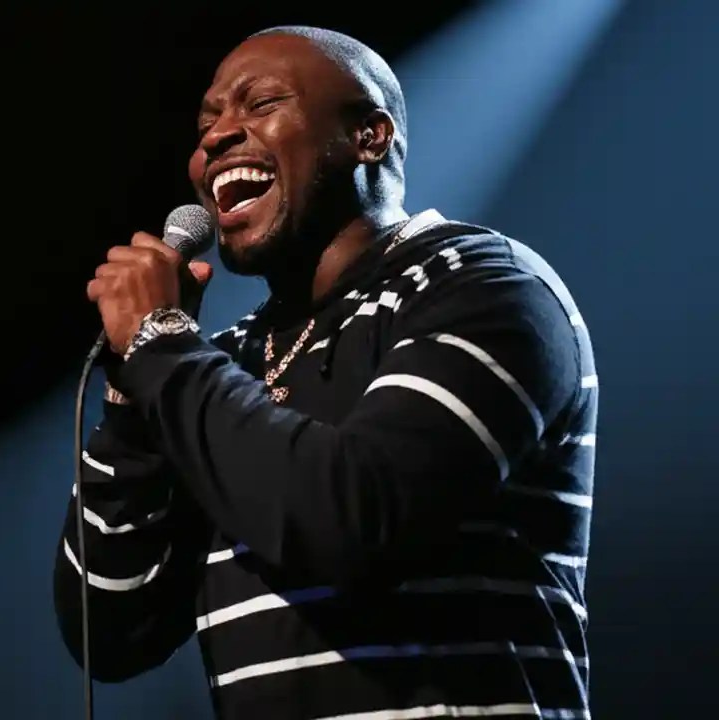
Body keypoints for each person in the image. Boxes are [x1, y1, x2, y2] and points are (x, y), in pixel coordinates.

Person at [53, 25, 596, 720]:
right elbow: (111, 634)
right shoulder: (223, 363)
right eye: (207, 121)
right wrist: (132, 397)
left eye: (259, 103)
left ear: (370, 135)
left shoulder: (483, 285)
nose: (215, 138)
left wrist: (161, 348)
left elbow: (351, 519)